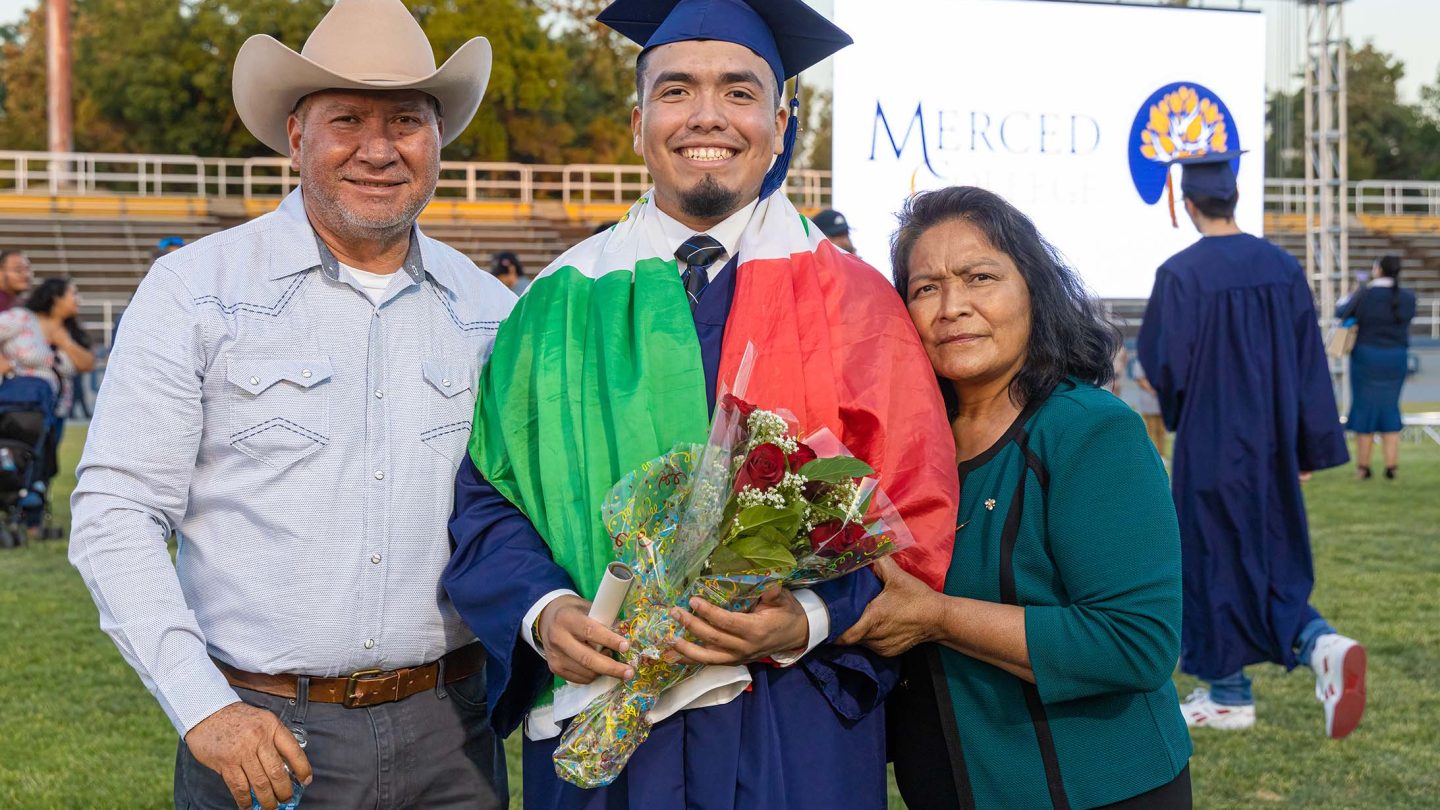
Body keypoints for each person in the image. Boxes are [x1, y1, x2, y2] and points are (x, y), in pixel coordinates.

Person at [443, 1, 958, 807]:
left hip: (791, 718)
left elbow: (915, 511)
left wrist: (811, 614)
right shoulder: (554, 303)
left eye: (740, 92)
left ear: (780, 126)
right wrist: (546, 612)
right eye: (677, 90)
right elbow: (490, 496)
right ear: (639, 122)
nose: (707, 116)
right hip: (607, 711)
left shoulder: (858, 304)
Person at [68, 2, 513, 808]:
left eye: (405, 121)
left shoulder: (489, 311)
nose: (378, 149)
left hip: (454, 731)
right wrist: (204, 706)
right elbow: (116, 512)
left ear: (438, 138)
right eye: (347, 120)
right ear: (297, 135)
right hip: (264, 732)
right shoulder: (197, 291)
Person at [837, 186, 1192, 810]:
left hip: (1095, 790)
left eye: (980, 277)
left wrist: (940, 617)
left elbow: (1135, 643)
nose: (952, 307)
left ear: (1033, 289)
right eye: (925, 288)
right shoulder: (903, 446)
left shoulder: (1089, 430)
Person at [1137, 150, 1366, 739]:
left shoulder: (1181, 274)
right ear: (1234, 196)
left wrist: (1166, 391)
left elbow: (1166, 366)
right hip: (1271, 448)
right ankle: (1316, 643)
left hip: (1211, 445)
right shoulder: (1283, 268)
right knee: (1267, 555)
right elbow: (1308, 363)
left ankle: (1230, 692)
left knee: (1210, 559)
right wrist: (1306, 449)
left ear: (1189, 205)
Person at [1337, 254, 1417, 480]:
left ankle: (1363, 467)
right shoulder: (1407, 297)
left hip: (1366, 356)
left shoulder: (1365, 294)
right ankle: (1391, 467)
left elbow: (1342, 313)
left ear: (1378, 269)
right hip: (1396, 357)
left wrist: (1353, 293)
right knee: (1390, 408)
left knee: (1364, 409)